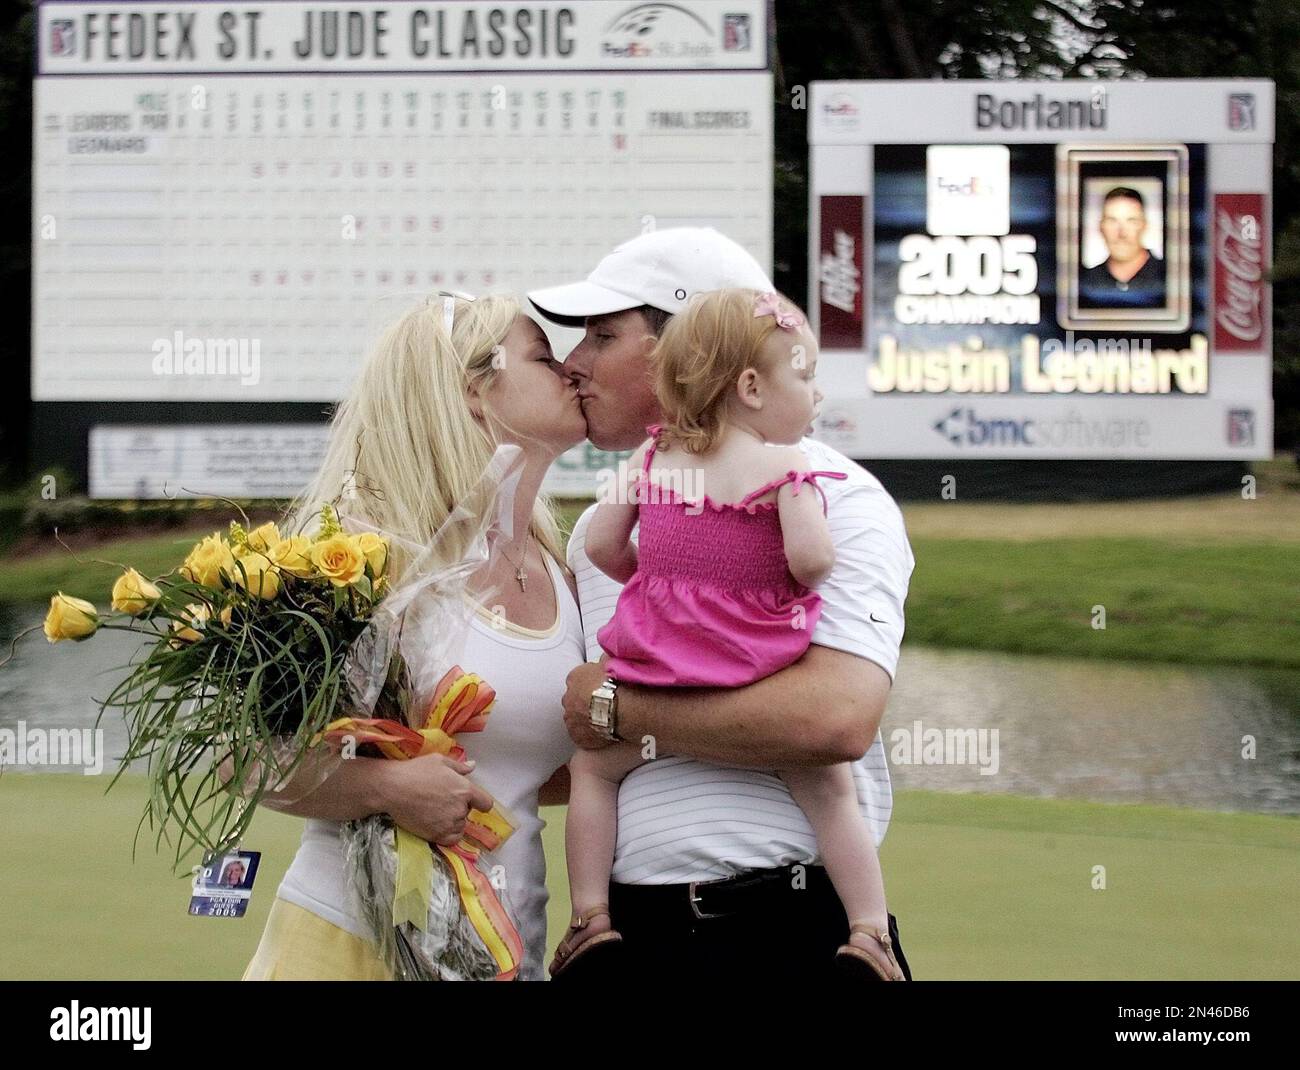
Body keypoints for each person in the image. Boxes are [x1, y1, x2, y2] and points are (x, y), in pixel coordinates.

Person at [529, 227, 916, 981]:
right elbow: (573, 743)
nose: (574, 362)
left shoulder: (840, 494)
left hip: (791, 929)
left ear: (692, 350)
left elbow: (833, 719)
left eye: (604, 336)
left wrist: (623, 712)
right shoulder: (607, 522)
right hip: (631, 941)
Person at [240, 292, 586, 980]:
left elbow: (530, 770)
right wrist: (387, 788)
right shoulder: (367, 550)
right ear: (474, 392)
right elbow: (242, 757)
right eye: (545, 358)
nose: (574, 371)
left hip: (501, 952)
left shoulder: (563, 569)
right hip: (351, 944)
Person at [1079, 186, 1167, 309]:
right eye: (1112, 221)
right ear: (1101, 227)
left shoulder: (1168, 277)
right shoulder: (1083, 282)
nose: (1122, 233)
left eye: (1131, 221)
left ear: (1144, 225)